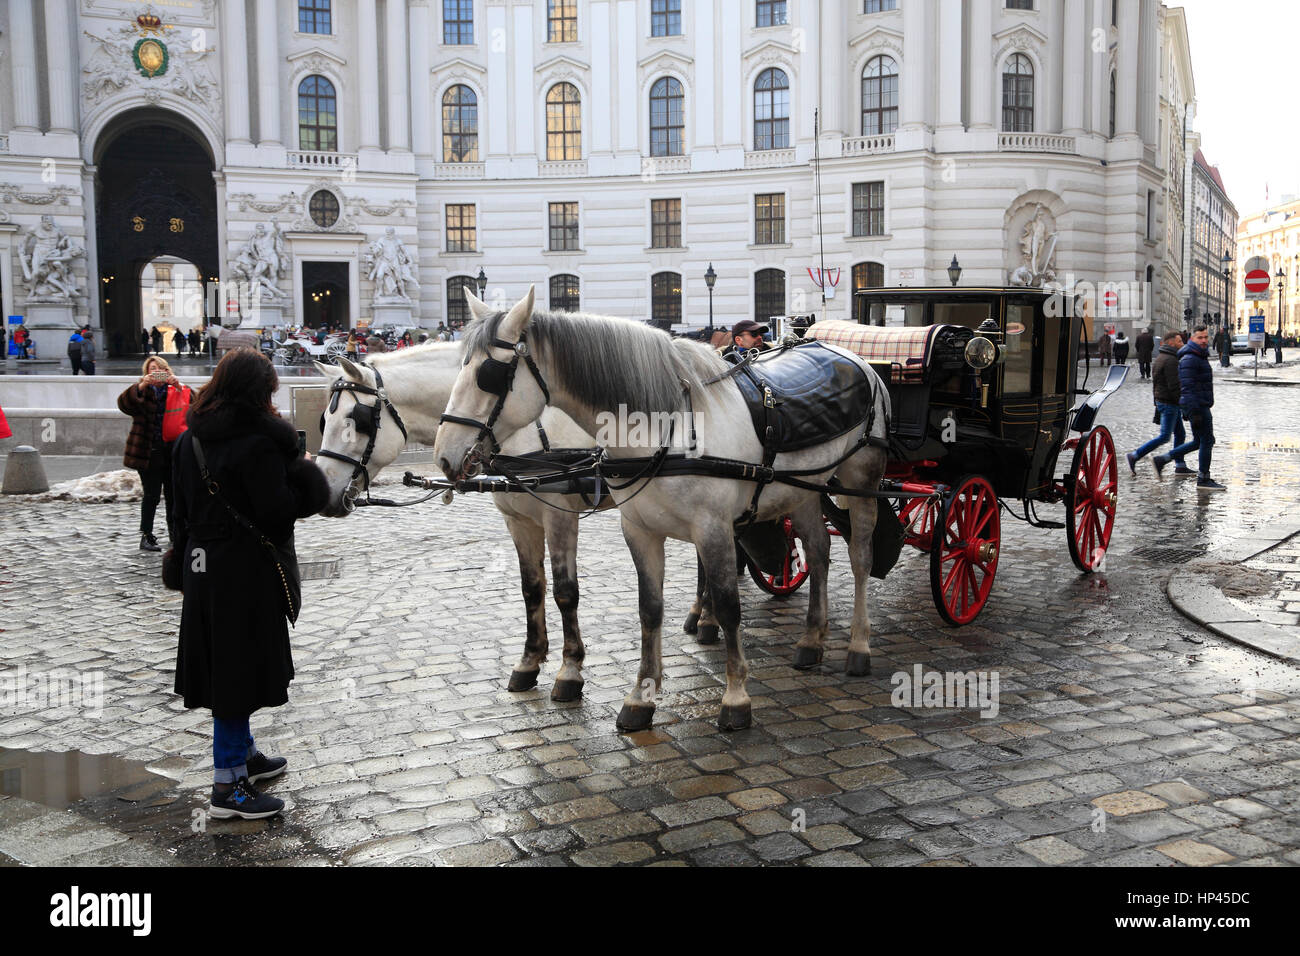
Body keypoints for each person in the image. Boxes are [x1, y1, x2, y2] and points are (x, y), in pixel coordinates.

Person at [167, 348, 328, 820]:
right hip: (244, 572)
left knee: (225, 666)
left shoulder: (190, 438)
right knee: (238, 673)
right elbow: (278, 510)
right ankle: (229, 785)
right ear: (261, 392)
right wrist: (303, 472)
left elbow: (177, 510)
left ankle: (247, 755)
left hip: (203, 567)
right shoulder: (258, 444)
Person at [118, 356, 182, 551]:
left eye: (160, 369)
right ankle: (146, 535)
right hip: (148, 451)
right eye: (152, 369)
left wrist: (178, 386)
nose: (156, 372)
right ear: (147, 372)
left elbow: (193, 406)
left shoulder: (174, 390)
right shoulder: (141, 390)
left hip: (170, 451)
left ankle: (175, 534)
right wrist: (141, 385)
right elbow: (124, 405)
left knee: (174, 496)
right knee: (151, 495)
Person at [1155, 325, 1222, 492]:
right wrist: (1193, 411)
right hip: (1198, 406)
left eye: (1206, 337)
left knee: (1199, 441)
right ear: (1192, 339)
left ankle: (1164, 459)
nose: (1204, 340)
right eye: (1200, 337)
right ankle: (1203, 478)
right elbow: (1187, 387)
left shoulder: (1198, 356)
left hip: (1200, 404)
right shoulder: (1190, 358)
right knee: (1206, 441)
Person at [1126, 331, 1192, 477]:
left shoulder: (1162, 357)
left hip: (1164, 401)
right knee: (1164, 436)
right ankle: (1135, 455)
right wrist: (1184, 405)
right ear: (1171, 343)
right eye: (1180, 341)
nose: (1182, 344)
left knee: (1180, 433)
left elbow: (1157, 384)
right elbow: (1174, 386)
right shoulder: (1171, 360)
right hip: (1169, 403)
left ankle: (1180, 465)